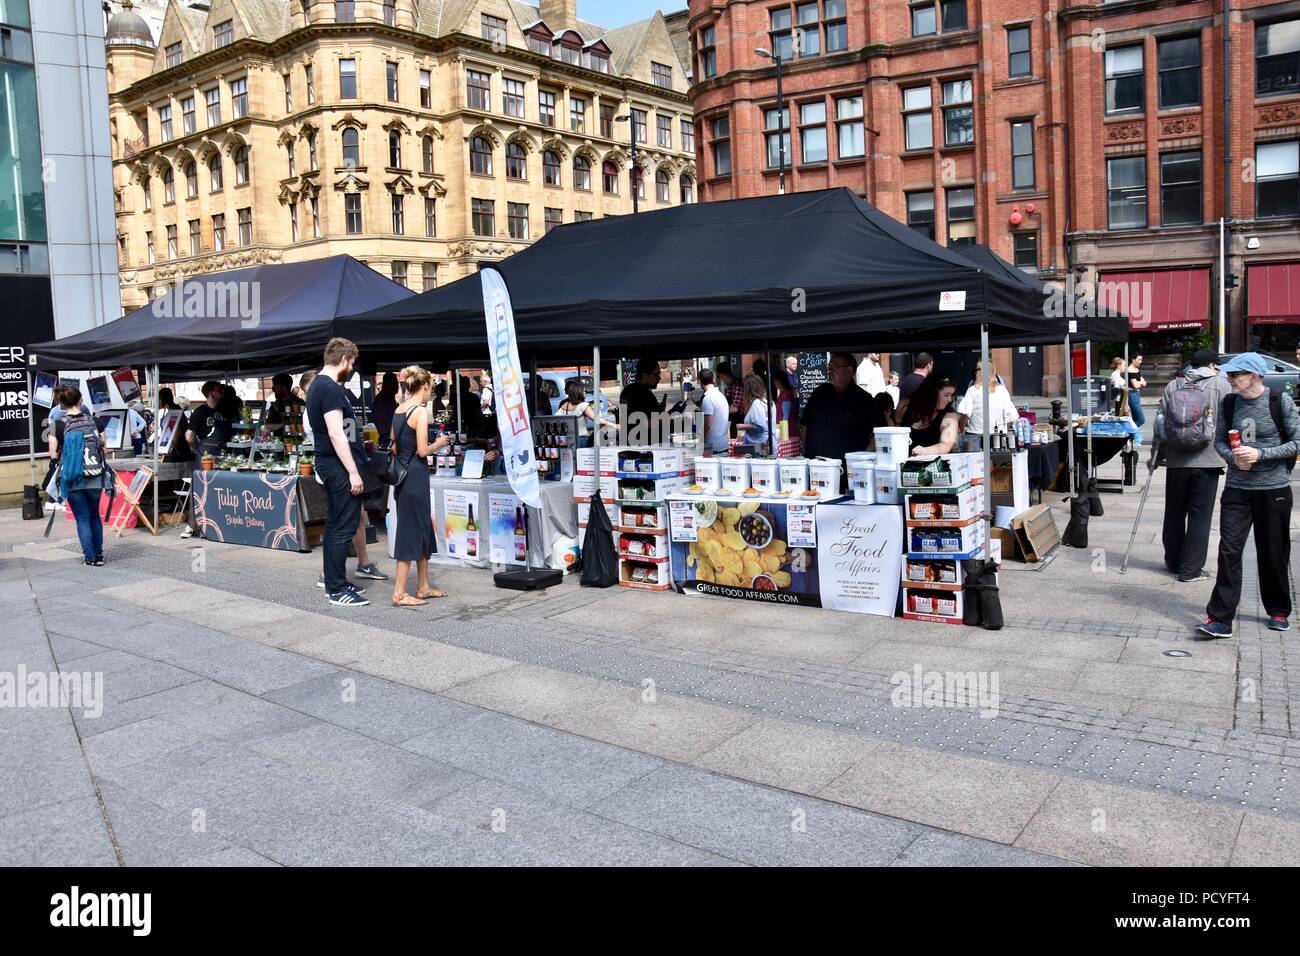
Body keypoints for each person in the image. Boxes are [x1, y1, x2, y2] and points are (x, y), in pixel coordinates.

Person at [1197, 353, 1299, 638]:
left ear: (1253, 376)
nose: (1228, 379)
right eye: (1228, 375)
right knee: (1229, 550)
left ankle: (1278, 610)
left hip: (1273, 489)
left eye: (1234, 375)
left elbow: (1297, 442)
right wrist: (1233, 458)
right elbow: (1218, 441)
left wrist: (1261, 454)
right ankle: (1220, 617)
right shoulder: (1229, 402)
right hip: (1237, 489)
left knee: (1273, 550)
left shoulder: (1280, 401)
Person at [308, 338, 387, 607]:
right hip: (337, 465)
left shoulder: (318, 385)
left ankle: (335, 582)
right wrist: (353, 472)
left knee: (335, 525)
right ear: (344, 360)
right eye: (351, 363)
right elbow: (335, 432)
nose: (352, 368)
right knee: (343, 526)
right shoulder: (329, 388)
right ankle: (336, 588)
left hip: (330, 464)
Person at [1160, 348, 1230, 584]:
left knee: (1174, 513)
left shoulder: (1173, 386)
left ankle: (1173, 561)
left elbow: (1161, 423)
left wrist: (1157, 456)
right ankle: (1190, 569)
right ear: (1211, 366)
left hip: (1177, 460)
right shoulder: (1221, 386)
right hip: (1208, 461)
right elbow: (1229, 420)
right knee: (1200, 517)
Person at [390, 366, 451, 607]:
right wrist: (439, 443)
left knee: (422, 527)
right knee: (411, 531)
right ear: (424, 387)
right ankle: (399, 593)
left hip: (403, 475)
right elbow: (423, 450)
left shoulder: (399, 410)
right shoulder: (420, 412)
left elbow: (393, 446)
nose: (431, 395)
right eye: (431, 390)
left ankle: (423, 586)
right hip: (415, 474)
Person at [47, 386, 108, 566]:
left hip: (72, 477)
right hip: (95, 475)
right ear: (81, 400)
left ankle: (89, 557)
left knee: (82, 518)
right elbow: (104, 448)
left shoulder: (57, 424)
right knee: (94, 515)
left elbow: (52, 453)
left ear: (61, 403)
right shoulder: (95, 422)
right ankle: (99, 555)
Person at [801, 352, 877, 460]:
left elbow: (878, 435)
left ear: (849, 370)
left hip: (845, 470)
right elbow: (805, 424)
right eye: (829, 367)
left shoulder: (864, 399)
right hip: (814, 465)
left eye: (835, 367)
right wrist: (805, 451)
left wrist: (861, 462)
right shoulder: (819, 392)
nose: (829, 371)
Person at [957, 362, 1020, 441]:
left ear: (979, 372)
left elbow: (964, 413)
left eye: (976, 370)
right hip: (998, 436)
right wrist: (1004, 430)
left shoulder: (972, 390)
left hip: (975, 436)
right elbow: (1012, 416)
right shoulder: (1002, 390)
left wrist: (962, 430)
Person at [900, 376, 960, 456]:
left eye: (951, 395)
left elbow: (946, 444)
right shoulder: (905, 406)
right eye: (946, 395)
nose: (950, 400)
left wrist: (926, 450)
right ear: (932, 393)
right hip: (901, 463)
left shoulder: (949, 416)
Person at [185, 381, 230, 457]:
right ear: (211, 393)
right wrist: (199, 451)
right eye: (220, 390)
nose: (223, 392)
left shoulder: (223, 410)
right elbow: (189, 437)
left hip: (221, 452)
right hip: (206, 455)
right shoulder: (199, 412)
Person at [619, 357, 665, 427]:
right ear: (644, 375)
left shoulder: (626, 391)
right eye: (656, 375)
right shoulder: (644, 394)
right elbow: (645, 424)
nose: (659, 378)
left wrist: (659, 410)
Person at [695, 368, 731, 454]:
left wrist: (700, 441)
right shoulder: (721, 396)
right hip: (723, 444)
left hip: (713, 446)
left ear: (699, 381)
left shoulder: (708, 399)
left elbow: (708, 425)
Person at [734, 374, 772, 451]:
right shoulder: (767, 401)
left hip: (757, 446)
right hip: (762, 443)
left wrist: (742, 426)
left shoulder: (757, 403)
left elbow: (760, 426)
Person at [371, 372, 399, 446]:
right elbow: (383, 427)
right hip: (387, 442)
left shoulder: (390, 399)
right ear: (388, 385)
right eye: (395, 383)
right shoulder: (381, 400)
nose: (397, 386)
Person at [771, 368, 799, 437]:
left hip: (787, 430)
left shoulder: (785, 395)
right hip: (785, 428)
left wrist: (781, 429)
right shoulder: (785, 393)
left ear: (777, 381)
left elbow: (785, 416)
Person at [717, 361, 744, 432]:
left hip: (738, 421)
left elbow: (735, 408)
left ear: (722, 374)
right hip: (731, 420)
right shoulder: (729, 386)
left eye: (719, 376)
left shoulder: (737, 385)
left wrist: (719, 412)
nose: (720, 379)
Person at [1127, 353, 1148, 442]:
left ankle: (1130, 437)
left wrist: (1141, 383)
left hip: (1137, 394)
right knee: (1141, 419)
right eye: (1139, 359)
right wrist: (1141, 383)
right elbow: (1135, 385)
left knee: (1135, 419)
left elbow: (1145, 383)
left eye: (1141, 359)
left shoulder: (1136, 370)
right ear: (1133, 359)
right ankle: (1127, 434)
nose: (1140, 361)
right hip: (1132, 394)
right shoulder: (1130, 370)